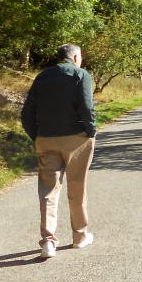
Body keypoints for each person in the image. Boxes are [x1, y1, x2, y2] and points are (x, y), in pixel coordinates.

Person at [20, 43, 97, 259]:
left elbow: (27, 112)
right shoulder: (81, 74)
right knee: (77, 187)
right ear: (74, 58)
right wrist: (90, 131)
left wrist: (36, 135)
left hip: (46, 138)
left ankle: (48, 241)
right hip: (76, 139)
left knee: (48, 191)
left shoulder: (42, 77)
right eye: (80, 56)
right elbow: (86, 106)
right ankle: (79, 236)